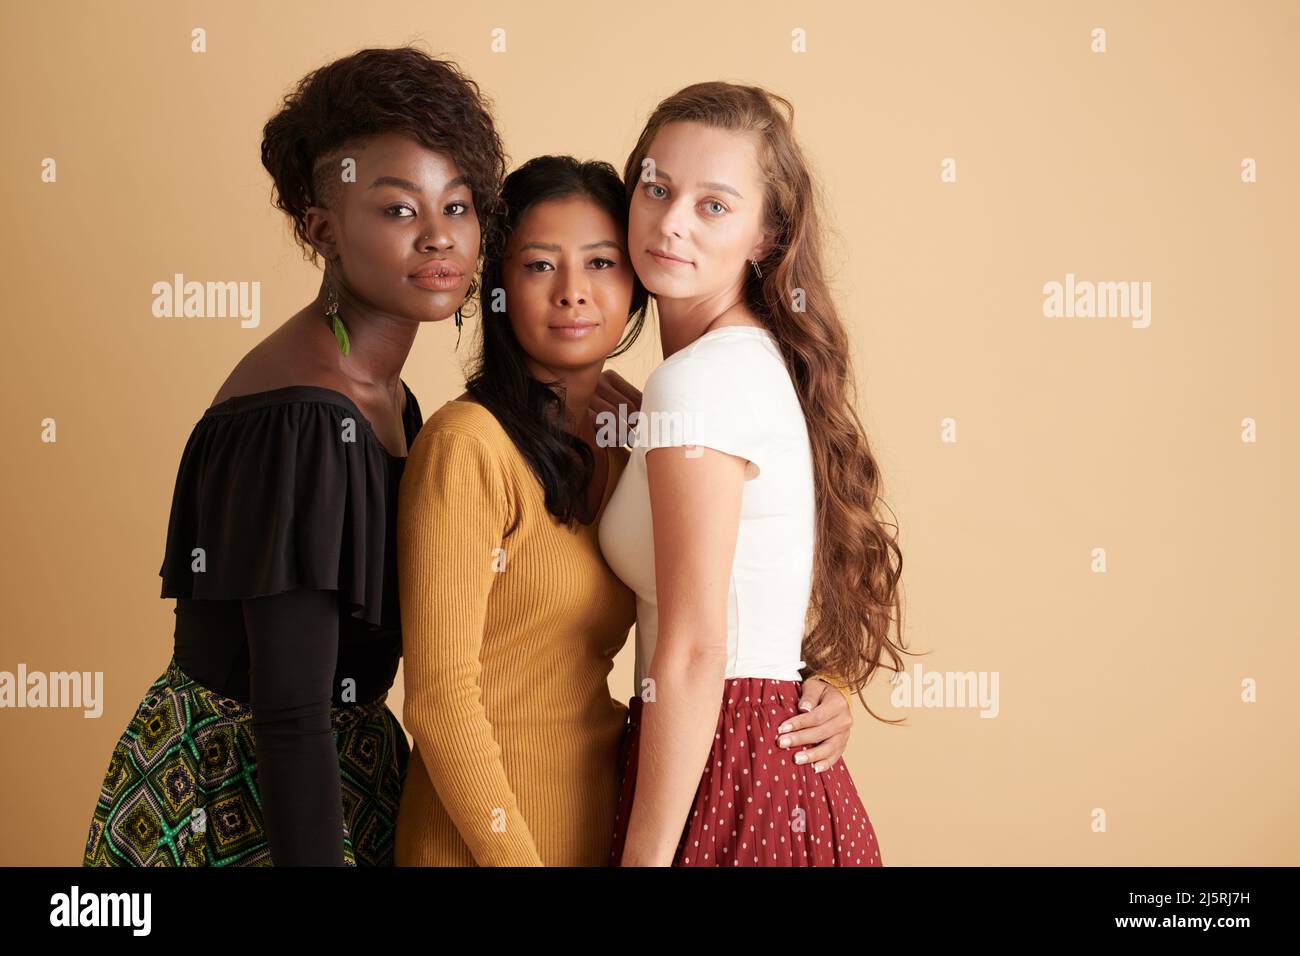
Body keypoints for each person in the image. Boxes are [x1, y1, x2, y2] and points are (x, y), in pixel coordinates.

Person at [82, 46, 506, 866]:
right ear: (323, 229)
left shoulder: (386, 395)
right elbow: (287, 712)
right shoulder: (303, 418)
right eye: (397, 210)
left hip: (340, 767)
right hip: (243, 794)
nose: (439, 237)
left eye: (457, 206)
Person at [393, 155, 857, 866]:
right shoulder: (466, 447)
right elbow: (438, 699)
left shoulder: (631, 448)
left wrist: (821, 683)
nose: (573, 294)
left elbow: (755, 562)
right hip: (481, 844)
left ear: (636, 283)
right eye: (540, 266)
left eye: (602, 263)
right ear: (500, 288)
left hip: (611, 819)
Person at [600, 82, 910, 866]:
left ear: (766, 237)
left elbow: (699, 651)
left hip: (728, 768)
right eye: (657, 187)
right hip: (744, 762)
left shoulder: (699, 383)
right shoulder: (739, 368)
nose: (671, 222)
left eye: (714, 205)